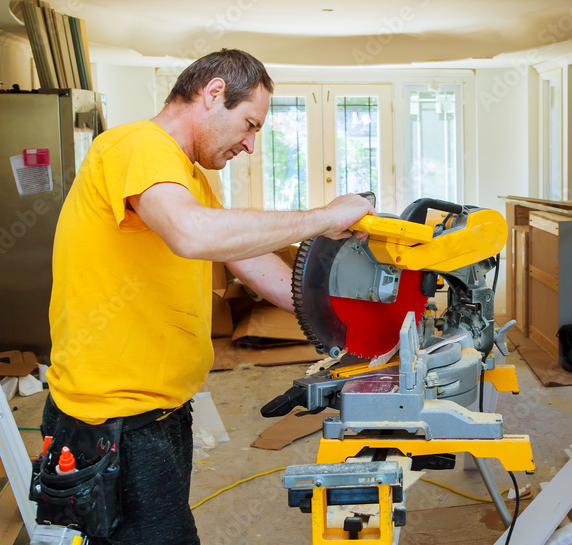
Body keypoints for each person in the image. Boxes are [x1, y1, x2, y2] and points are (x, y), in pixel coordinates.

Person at [39, 49, 374, 543]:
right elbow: (192, 234)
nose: (251, 144)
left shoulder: (186, 175)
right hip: (116, 420)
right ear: (214, 93)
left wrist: (347, 319)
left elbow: (250, 261)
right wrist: (323, 217)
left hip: (160, 411)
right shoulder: (137, 144)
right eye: (250, 124)